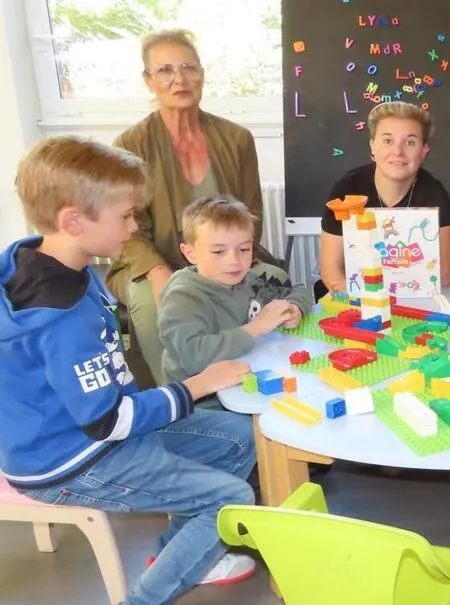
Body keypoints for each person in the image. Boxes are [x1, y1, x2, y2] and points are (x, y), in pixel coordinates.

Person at [0, 136, 259, 604]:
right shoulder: (60, 316)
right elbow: (107, 421)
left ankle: (180, 553)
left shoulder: (51, 259)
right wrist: (197, 386)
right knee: (231, 497)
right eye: (124, 216)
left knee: (242, 436)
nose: (134, 226)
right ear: (73, 221)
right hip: (73, 459)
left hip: (93, 430)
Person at [104, 29, 276, 385]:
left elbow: (252, 214)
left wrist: (222, 261)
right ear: (149, 81)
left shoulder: (237, 139)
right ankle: (173, 394)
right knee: (154, 300)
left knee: (275, 283)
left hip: (223, 254)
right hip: (153, 262)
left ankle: (255, 381)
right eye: (165, 70)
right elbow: (127, 230)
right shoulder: (130, 144)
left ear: (202, 75)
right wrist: (158, 272)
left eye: (188, 68)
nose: (179, 79)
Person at [159, 196, 314, 385]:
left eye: (244, 249)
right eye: (218, 252)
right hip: (203, 397)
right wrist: (256, 327)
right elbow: (193, 358)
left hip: (248, 379)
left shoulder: (249, 280)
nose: (234, 261)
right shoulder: (182, 298)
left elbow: (298, 291)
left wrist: (294, 309)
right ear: (190, 253)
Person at [318, 101, 450, 298]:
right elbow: (331, 271)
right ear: (372, 147)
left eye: (410, 142)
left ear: (424, 151)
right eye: (387, 140)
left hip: (417, 303)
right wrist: (366, 304)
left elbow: (444, 277)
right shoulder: (346, 190)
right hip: (359, 301)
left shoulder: (435, 194)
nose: (398, 152)